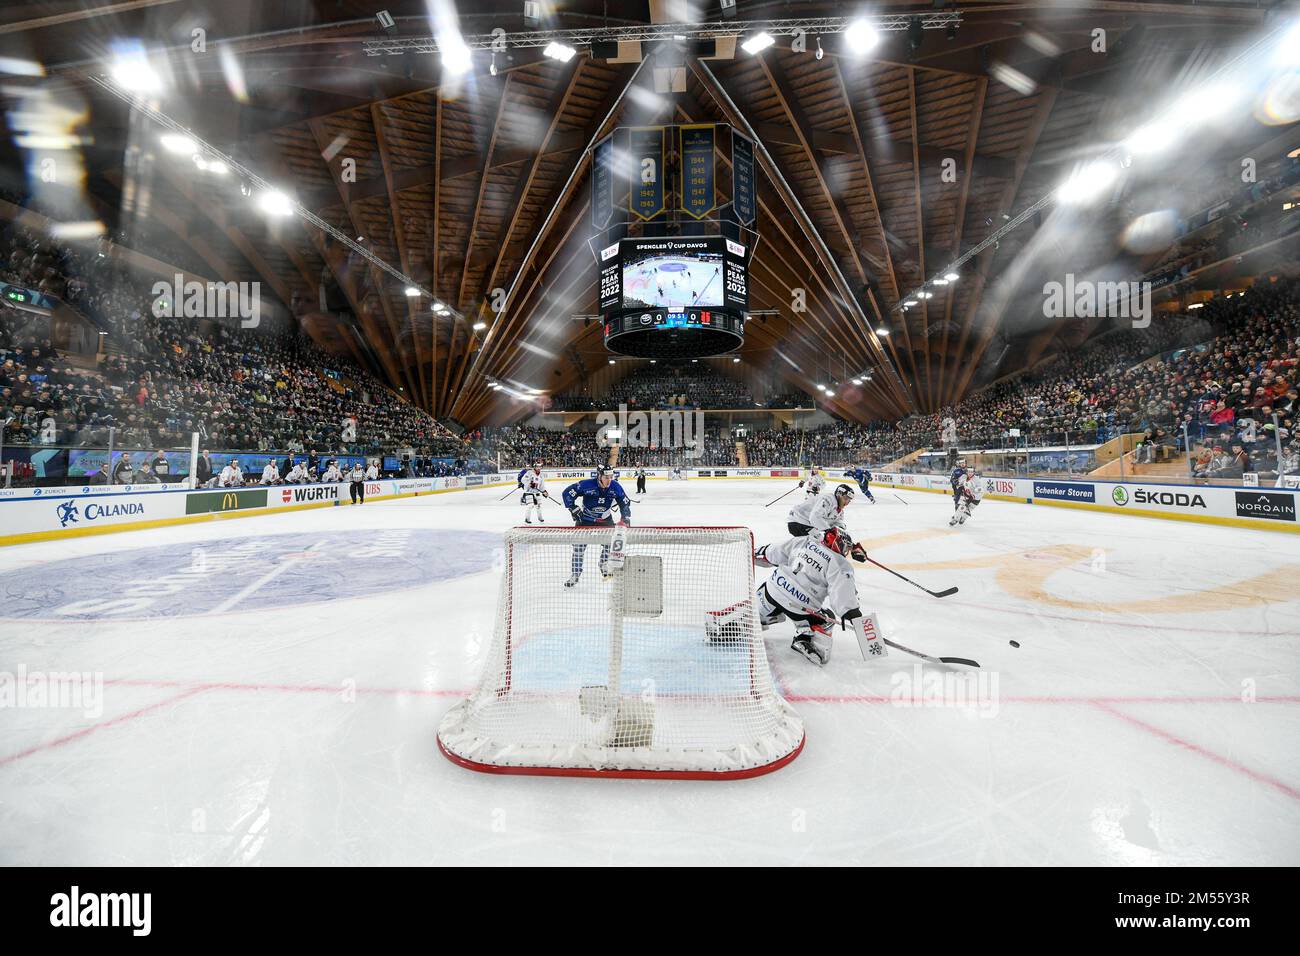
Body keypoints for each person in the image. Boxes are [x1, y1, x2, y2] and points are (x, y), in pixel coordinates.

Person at [745, 527, 879, 666]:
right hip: (799, 607)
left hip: (771, 591)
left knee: (765, 599)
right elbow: (843, 597)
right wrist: (855, 616)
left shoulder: (805, 541)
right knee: (827, 619)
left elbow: (772, 553)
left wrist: (753, 554)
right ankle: (805, 639)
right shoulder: (839, 563)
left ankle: (757, 618)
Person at [560, 466, 632, 587]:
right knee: (578, 547)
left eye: (610, 477)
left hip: (605, 519)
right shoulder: (586, 485)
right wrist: (572, 508)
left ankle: (603, 564)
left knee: (609, 544)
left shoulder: (615, 486)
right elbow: (567, 493)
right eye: (606, 477)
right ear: (599, 476)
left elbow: (624, 502)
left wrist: (626, 517)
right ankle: (575, 574)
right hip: (585, 520)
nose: (609, 480)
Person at [787, 482, 854, 537]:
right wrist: (828, 531)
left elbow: (838, 524)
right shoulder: (828, 499)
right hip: (797, 520)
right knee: (818, 544)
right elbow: (815, 517)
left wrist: (842, 531)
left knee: (819, 543)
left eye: (849, 500)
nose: (847, 502)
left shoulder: (840, 513)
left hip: (805, 523)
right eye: (845, 498)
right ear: (839, 495)